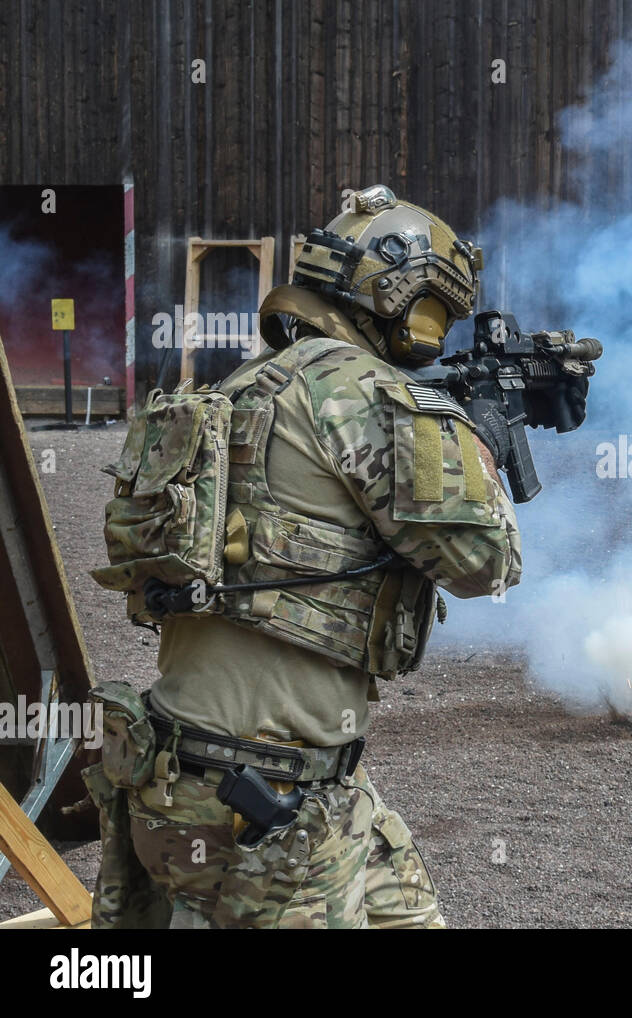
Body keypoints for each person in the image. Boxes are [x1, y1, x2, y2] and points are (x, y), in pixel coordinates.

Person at [89, 185, 522, 928]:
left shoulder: (242, 385)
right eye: (430, 314)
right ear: (392, 299)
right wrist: (474, 439)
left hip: (189, 776)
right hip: (264, 811)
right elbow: (484, 564)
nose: (432, 338)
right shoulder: (365, 394)